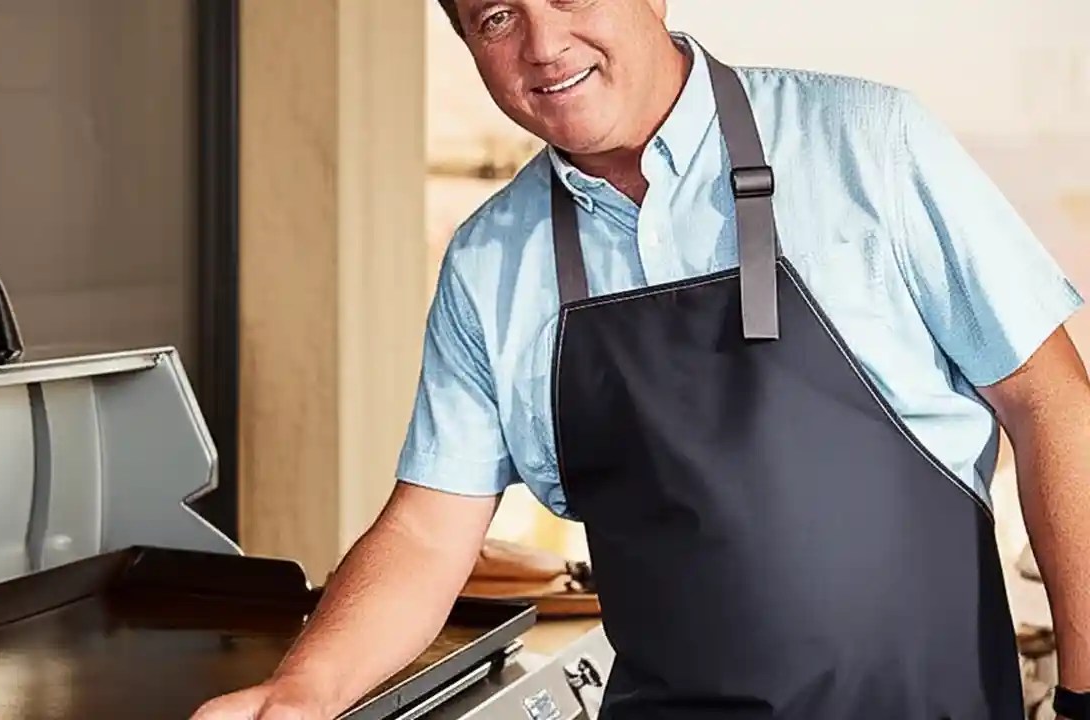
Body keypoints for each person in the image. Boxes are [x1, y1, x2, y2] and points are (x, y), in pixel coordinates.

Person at [195, 1, 1090, 718]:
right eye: (496, 18)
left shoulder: (866, 143)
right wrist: (300, 694)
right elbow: (429, 529)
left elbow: (1054, 409)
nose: (544, 44)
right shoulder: (488, 262)